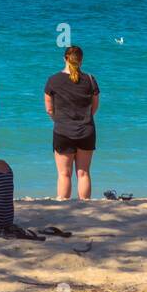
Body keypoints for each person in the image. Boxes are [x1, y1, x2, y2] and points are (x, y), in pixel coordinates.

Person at [45, 45, 100, 199]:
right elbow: (94, 106)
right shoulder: (90, 79)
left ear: (65, 59)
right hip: (86, 130)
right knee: (83, 173)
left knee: (64, 174)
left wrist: (60, 120)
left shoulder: (53, 80)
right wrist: (84, 119)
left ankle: (63, 207)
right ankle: (85, 205)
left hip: (63, 131)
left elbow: (49, 109)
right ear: (81, 60)